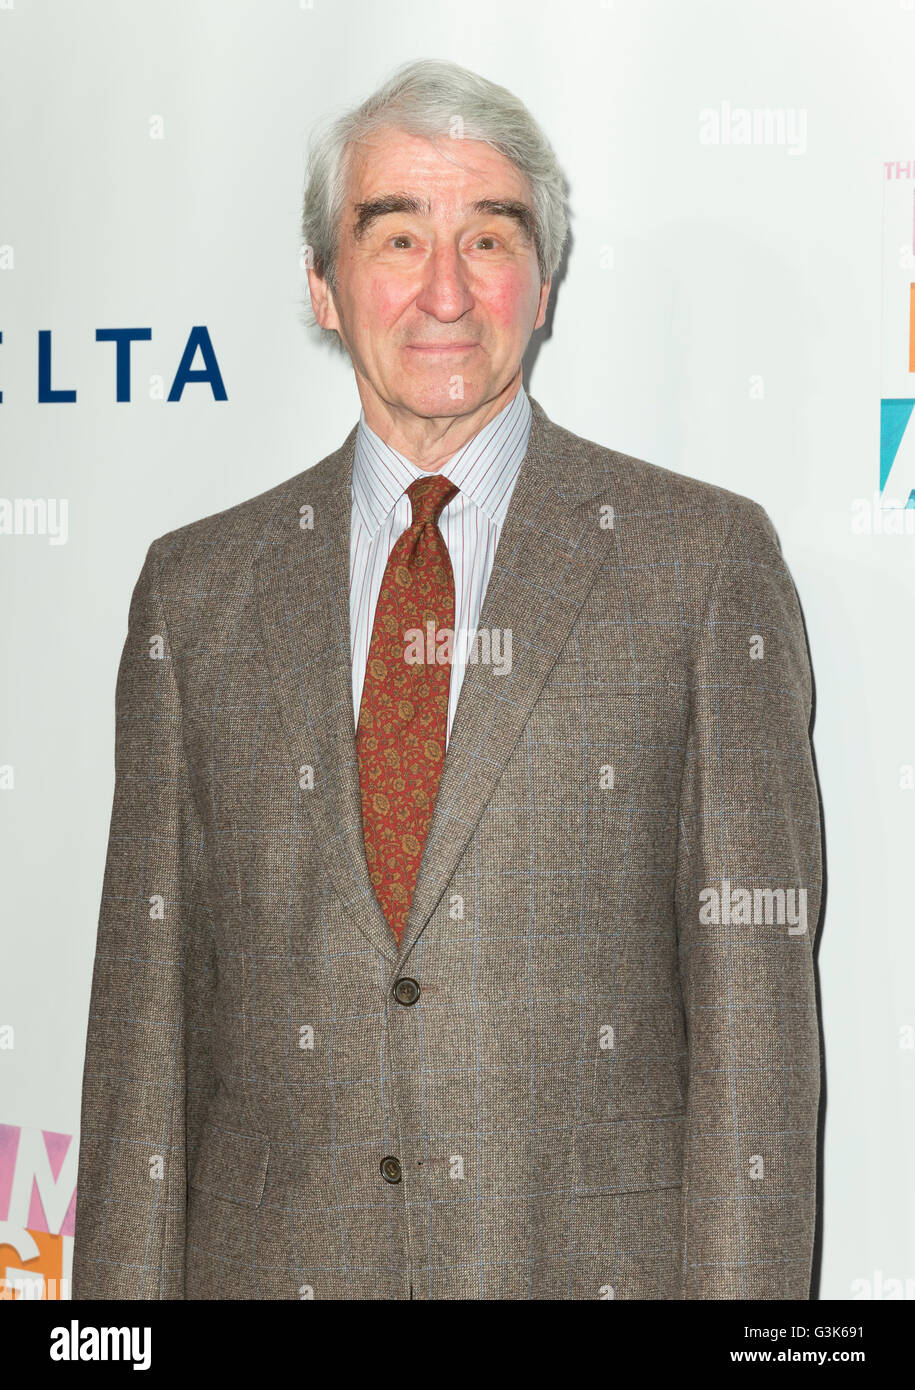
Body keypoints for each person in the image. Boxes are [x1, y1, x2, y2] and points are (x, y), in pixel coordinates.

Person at [71, 57, 823, 1300]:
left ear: (543, 284)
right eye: (397, 235)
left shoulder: (704, 568)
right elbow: (140, 1046)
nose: (444, 289)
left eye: (489, 237)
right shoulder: (193, 595)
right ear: (321, 283)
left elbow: (760, 1049)